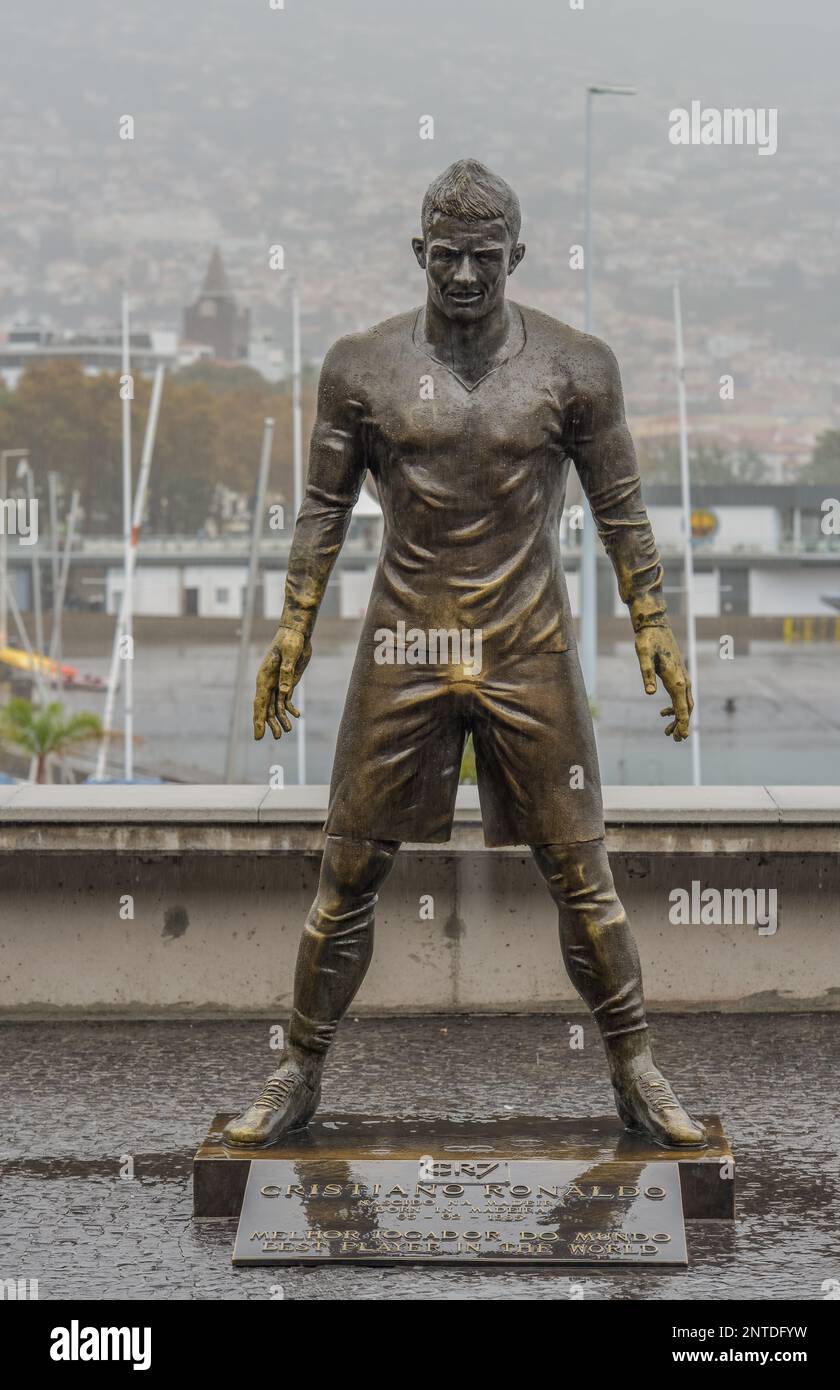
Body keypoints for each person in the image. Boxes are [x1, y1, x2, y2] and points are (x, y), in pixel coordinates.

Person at [224, 159, 704, 1150]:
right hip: (403, 640)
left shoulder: (576, 366)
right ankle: (298, 1070)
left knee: (581, 871)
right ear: (418, 254)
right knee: (347, 871)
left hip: (526, 644)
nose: (463, 277)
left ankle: (634, 1068)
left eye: (483, 259)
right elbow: (322, 505)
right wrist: (291, 625)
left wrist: (650, 620)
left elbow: (619, 505)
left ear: (514, 257)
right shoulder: (360, 368)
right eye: (445, 257)